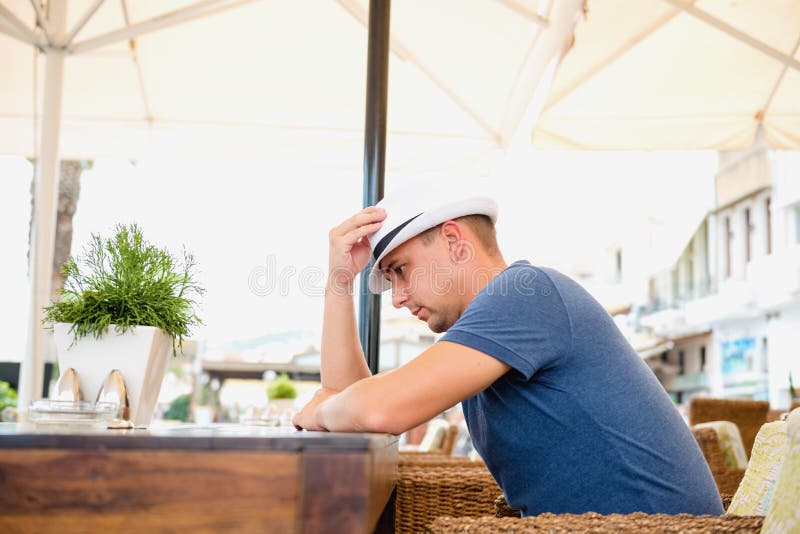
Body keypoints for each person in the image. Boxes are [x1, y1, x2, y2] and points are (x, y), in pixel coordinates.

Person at [292, 182, 724, 517]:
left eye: (400, 271)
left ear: (454, 242)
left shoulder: (526, 293)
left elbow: (374, 410)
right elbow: (357, 414)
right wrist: (339, 280)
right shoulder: (484, 332)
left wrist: (317, 411)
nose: (398, 296)